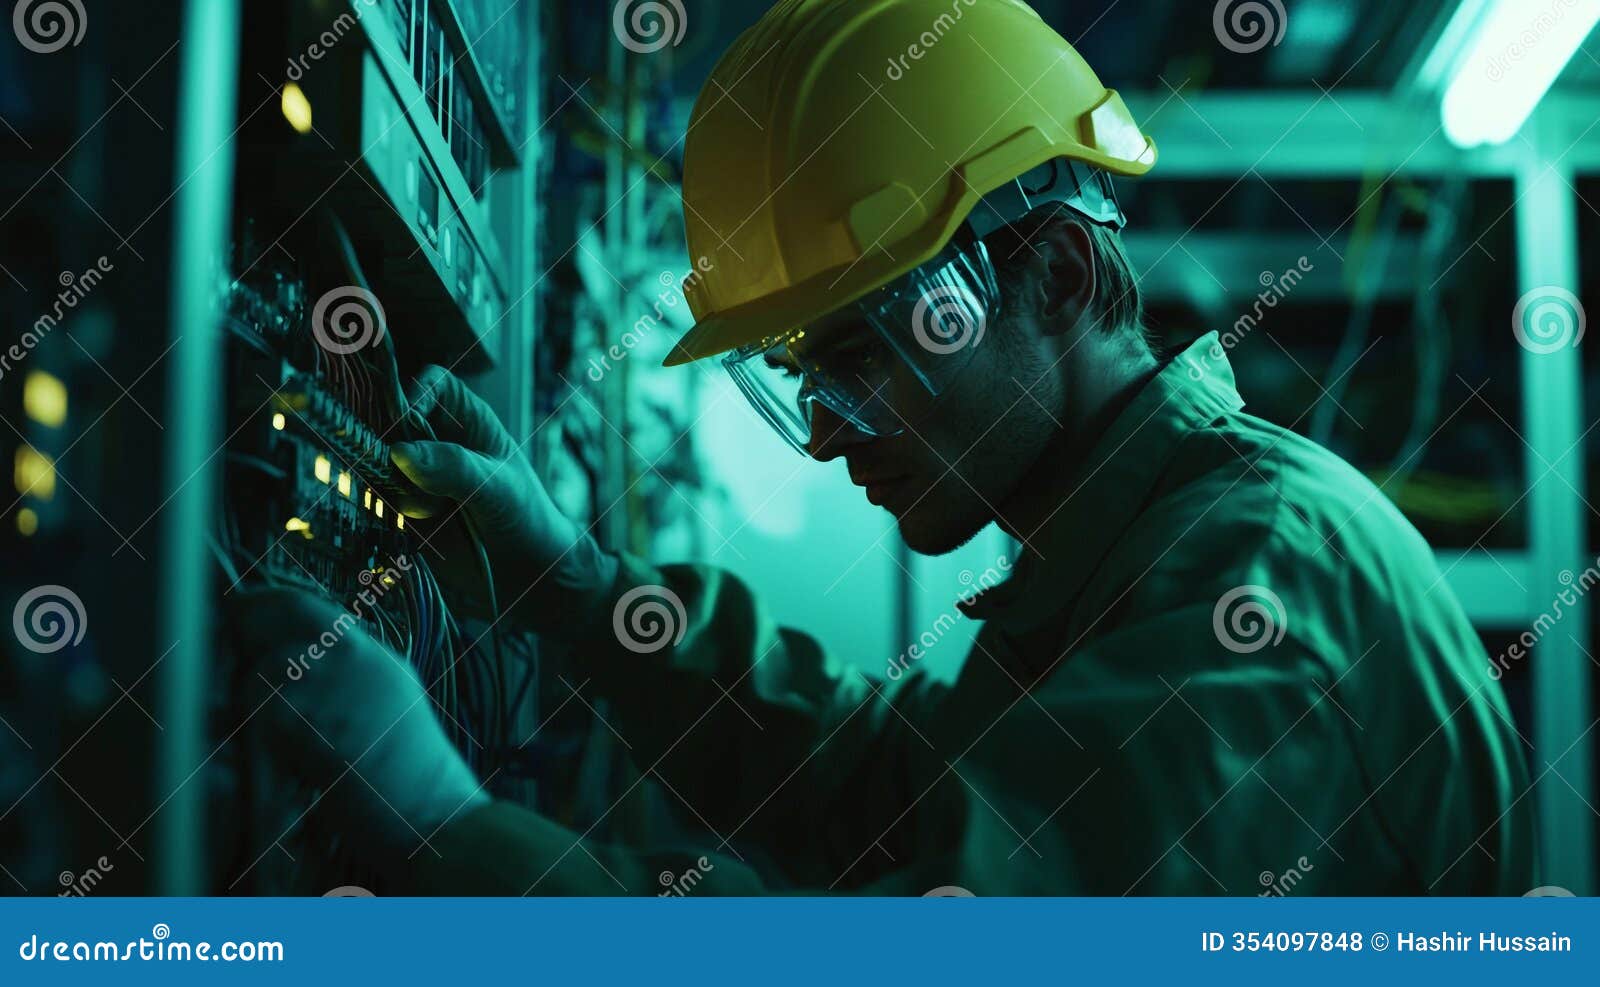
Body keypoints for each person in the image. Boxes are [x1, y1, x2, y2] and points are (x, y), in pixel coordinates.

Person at [235, 0, 1536, 894]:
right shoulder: (1140, 555)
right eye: (799, 374)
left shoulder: (1260, 599)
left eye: (861, 360)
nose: (821, 436)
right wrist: (568, 589)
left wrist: (442, 824)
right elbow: (897, 797)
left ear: (1063, 275)